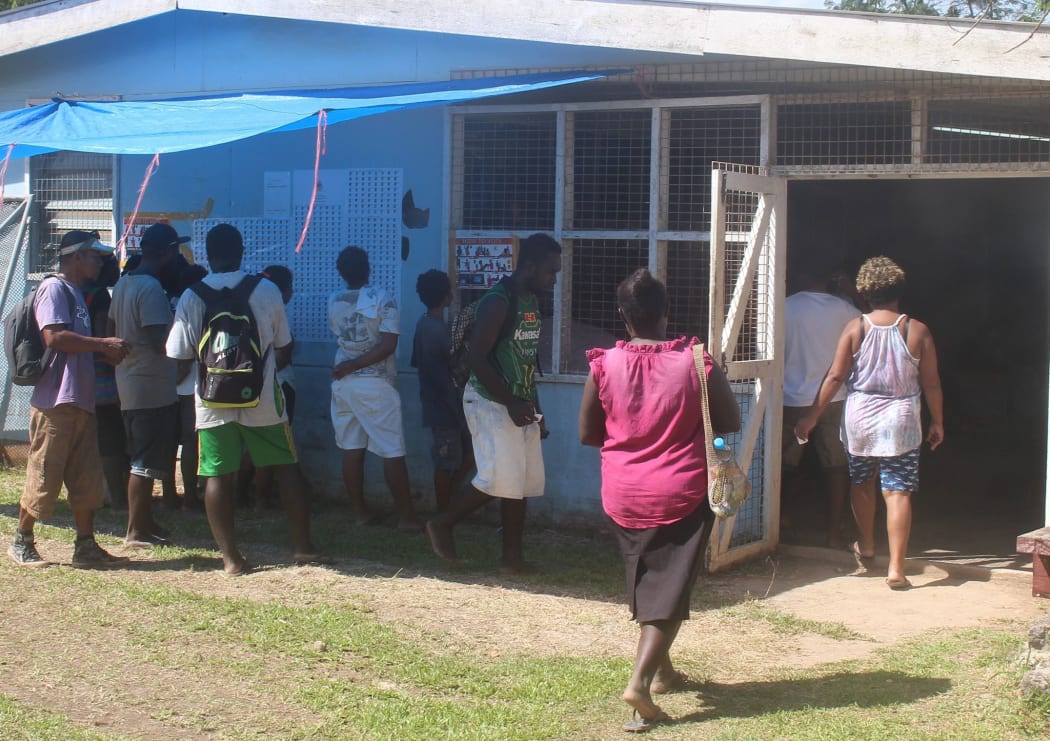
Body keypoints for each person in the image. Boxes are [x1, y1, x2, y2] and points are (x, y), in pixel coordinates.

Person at [578, 268, 740, 732]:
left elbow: (589, 433)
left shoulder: (603, 364)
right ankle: (639, 683)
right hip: (682, 491)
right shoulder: (695, 362)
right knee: (669, 589)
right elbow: (727, 422)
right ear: (665, 313)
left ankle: (664, 672)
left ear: (623, 315)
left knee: (649, 579)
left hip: (623, 492)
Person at [166, 223, 329, 575]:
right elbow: (284, 344)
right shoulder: (267, 290)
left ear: (208, 256)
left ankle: (230, 558)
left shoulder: (191, 296)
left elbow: (178, 353)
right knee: (286, 467)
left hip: (211, 400)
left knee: (217, 475)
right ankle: (302, 546)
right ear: (242, 252)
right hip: (263, 398)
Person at [795, 256, 944, 590]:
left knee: (862, 483)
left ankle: (867, 545)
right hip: (902, 420)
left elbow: (835, 376)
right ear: (900, 290)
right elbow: (932, 383)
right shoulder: (916, 330)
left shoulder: (855, 328)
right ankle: (896, 568)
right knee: (898, 491)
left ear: (862, 290)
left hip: (860, 417)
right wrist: (938, 420)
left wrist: (811, 416)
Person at [426, 233, 561, 574]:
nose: (554, 279)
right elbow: (476, 358)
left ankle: (511, 559)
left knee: (522, 482)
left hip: (518, 401)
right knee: (499, 476)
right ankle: (443, 522)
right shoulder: (498, 301)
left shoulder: (532, 301)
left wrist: (533, 408)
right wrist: (511, 403)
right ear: (529, 266)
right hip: (489, 400)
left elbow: (526, 360)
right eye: (550, 272)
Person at [7, 231, 131, 568]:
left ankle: (85, 546)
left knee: (86, 477)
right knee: (45, 473)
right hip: (55, 402)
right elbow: (55, 337)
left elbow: (74, 346)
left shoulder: (77, 293)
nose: (100, 262)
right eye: (95, 256)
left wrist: (107, 353)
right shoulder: (54, 288)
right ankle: (22, 541)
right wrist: (101, 344)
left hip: (80, 400)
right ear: (76, 257)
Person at [329, 246, 424, 533]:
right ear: (368, 268)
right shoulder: (383, 299)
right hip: (374, 384)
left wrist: (349, 366)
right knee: (392, 450)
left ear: (340, 272)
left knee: (352, 448)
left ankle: (360, 512)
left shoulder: (334, 300)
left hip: (343, 382)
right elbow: (388, 345)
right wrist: (357, 364)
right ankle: (406, 517)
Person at [109, 222, 183, 547]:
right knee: (144, 461)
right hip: (149, 385)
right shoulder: (151, 288)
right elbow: (158, 341)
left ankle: (145, 521)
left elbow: (110, 326)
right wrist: (181, 327)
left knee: (145, 457)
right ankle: (134, 531)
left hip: (130, 381)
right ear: (167, 253)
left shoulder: (125, 283)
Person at [781, 255, 860, 549]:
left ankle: (782, 520)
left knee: (787, 468)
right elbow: (873, 330)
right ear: (830, 278)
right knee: (837, 469)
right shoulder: (846, 310)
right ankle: (833, 533)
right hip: (834, 400)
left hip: (791, 400)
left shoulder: (784, 307)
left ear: (799, 276)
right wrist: (852, 292)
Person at [410, 269, 474, 513]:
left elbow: (419, 362)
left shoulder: (424, 325)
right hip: (446, 406)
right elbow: (447, 370)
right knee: (447, 461)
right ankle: (444, 509)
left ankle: (449, 504)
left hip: (441, 403)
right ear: (447, 297)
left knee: (460, 457)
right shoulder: (438, 330)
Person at [239, 264, 297, 511]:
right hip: (277, 385)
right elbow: (285, 351)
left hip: (249, 385)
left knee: (251, 444)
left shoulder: (246, 309)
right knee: (269, 447)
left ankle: (240, 492)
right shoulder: (276, 311)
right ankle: (261, 499)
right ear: (284, 291)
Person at [81, 248, 130, 511]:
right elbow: (102, 335)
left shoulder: (72, 291)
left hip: (77, 377)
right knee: (111, 438)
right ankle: (118, 498)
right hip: (102, 380)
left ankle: (95, 493)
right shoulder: (99, 297)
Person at [173, 262, 208, 510]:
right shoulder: (198, 303)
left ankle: (182, 494)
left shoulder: (175, 301)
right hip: (193, 382)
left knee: (185, 441)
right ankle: (193, 495)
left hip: (179, 385)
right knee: (195, 441)